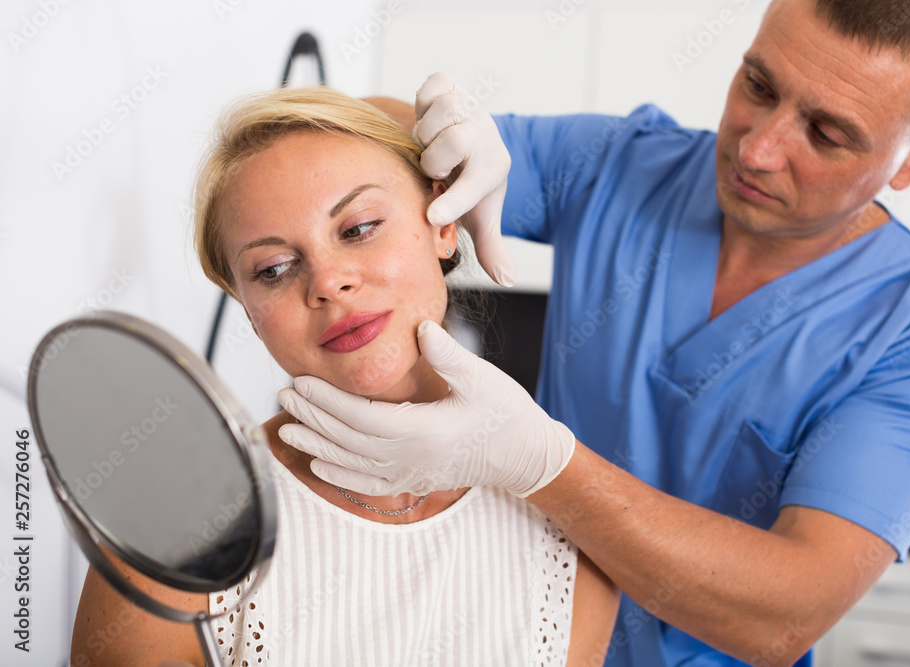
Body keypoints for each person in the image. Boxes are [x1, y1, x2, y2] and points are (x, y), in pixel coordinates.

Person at [273, 1, 910, 665]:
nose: (757, 149)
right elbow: (359, 139)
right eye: (758, 85)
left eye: (827, 133)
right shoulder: (625, 166)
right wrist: (426, 137)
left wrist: (540, 463)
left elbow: (785, 616)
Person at [69, 86, 620, 667]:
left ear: (444, 225)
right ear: (250, 314)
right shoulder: (175, 525)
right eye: (274, 269)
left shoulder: (572, 543)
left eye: (358, 228)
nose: (328, 281)